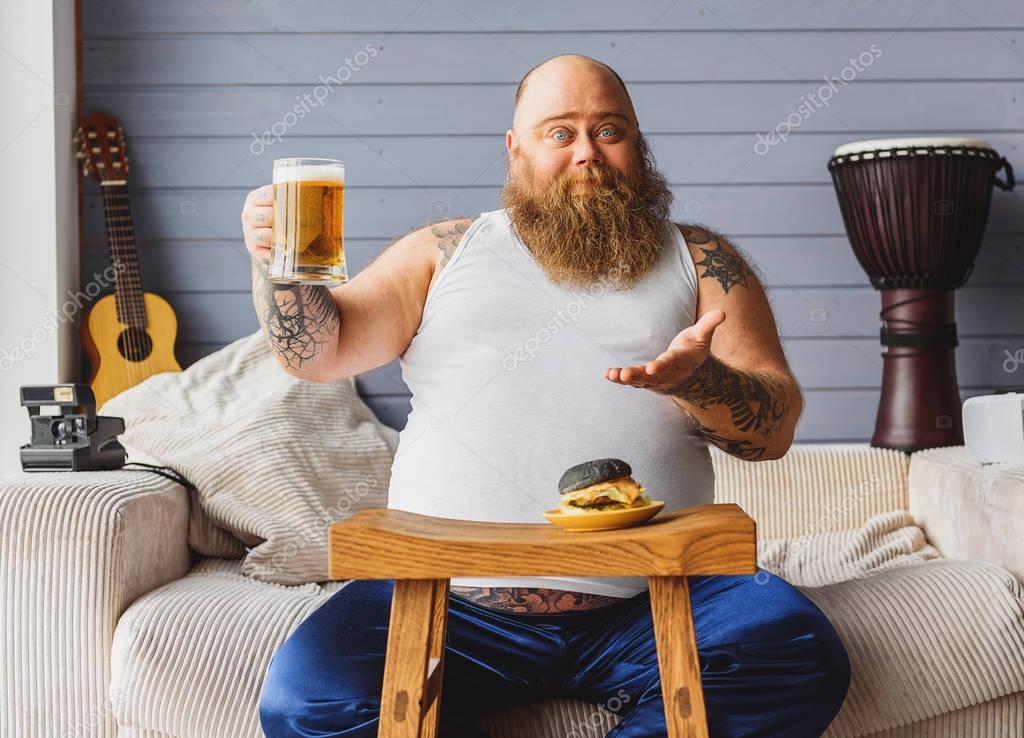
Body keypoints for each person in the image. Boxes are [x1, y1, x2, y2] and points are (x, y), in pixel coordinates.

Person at [242, 53, 850, 738]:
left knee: (800, 656)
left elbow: (772, 432)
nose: (587, 152)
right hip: (450, 603)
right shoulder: (442, 252)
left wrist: (700, 383)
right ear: (516, 150)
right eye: (559, 132)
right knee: (308, 703)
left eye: (609, 130)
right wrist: (278, 268)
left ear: (638, 143)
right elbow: (317, 354)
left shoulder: (702, 259)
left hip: (655, 599)